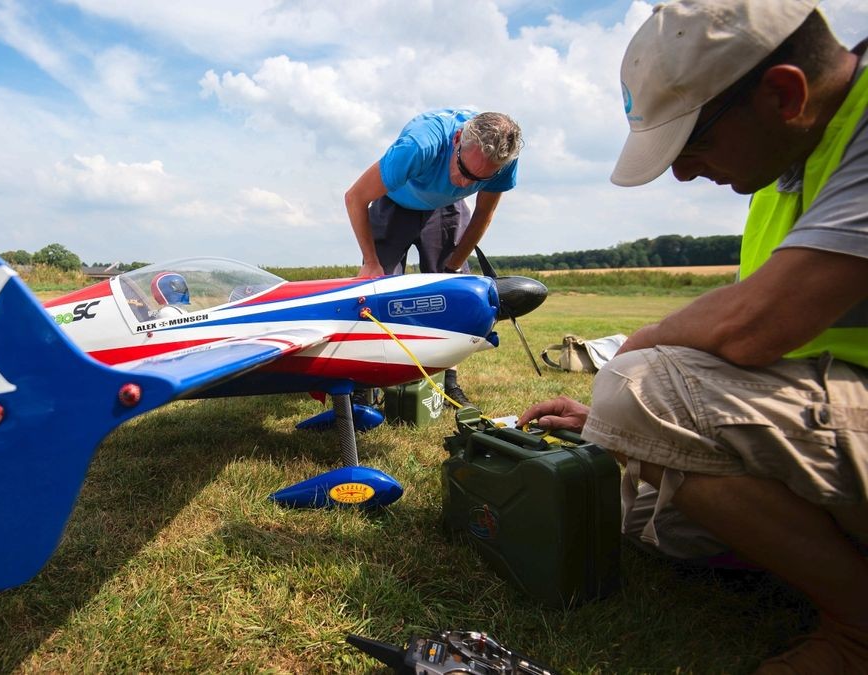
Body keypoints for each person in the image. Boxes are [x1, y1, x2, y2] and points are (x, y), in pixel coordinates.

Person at [518, 1, 868, 672]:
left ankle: (858, 628)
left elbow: (762, 323)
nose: (682, 173)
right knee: (654, 519)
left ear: (783, 94)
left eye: (694, 142)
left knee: (636, 385)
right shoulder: (795, 165)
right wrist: (614, 428)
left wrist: (641, 350)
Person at [345, 109, 523, 407]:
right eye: (464, 172)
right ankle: (365, 387)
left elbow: (483, 213)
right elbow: (355, 197)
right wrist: (370, 261)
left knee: (457, 295)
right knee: (374, 293)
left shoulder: (503, 158)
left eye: (480, 180)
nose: (466, 184)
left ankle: (448, 382)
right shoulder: (419, 145)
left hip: (447, 209)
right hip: (397, 202)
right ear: (456, 141)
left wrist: (454, 266)